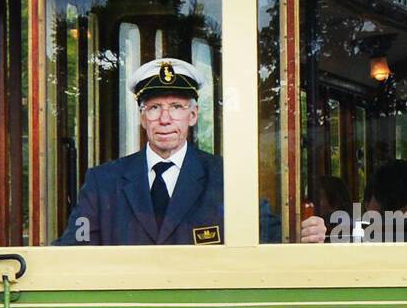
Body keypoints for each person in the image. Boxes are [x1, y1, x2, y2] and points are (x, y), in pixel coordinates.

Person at [56, 57, 325, 246]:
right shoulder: (103, 182)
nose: (165, 119)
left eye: (176, 107)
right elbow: (72, 249)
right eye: (154, 108)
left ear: (193, 115)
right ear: (142, 118)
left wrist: (305, 234)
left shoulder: (226, 179)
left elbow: (271, 236)